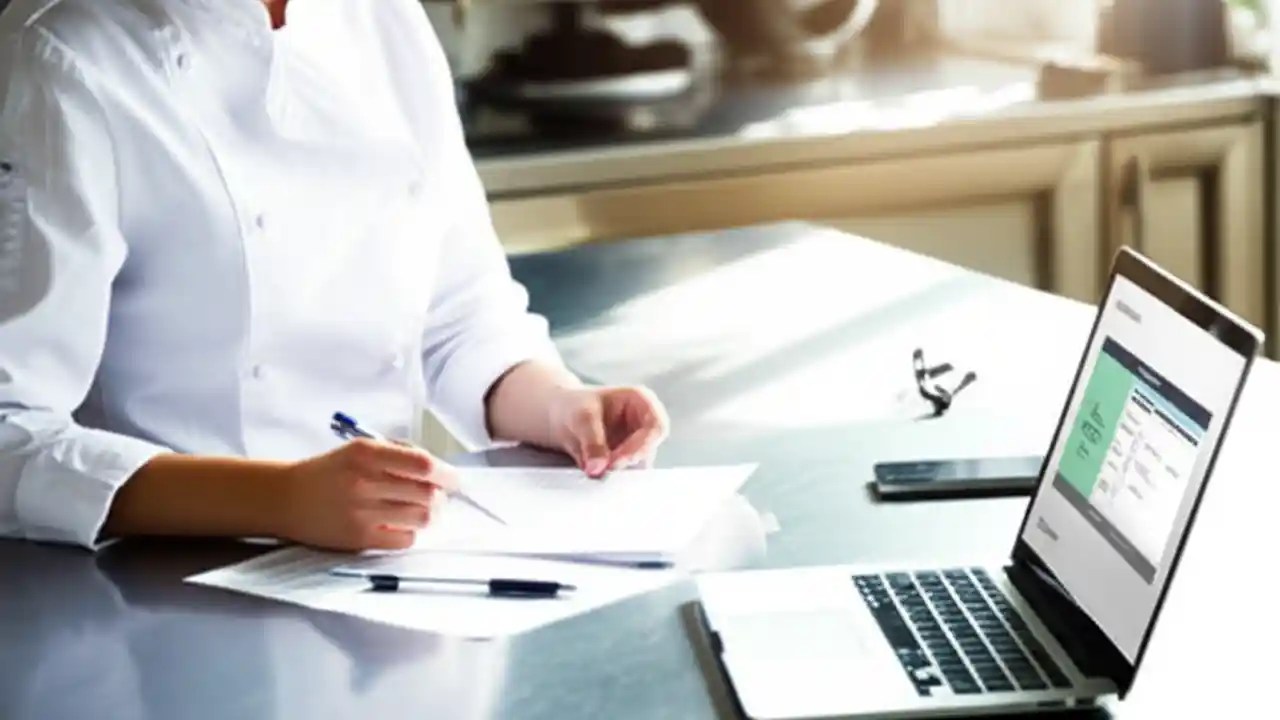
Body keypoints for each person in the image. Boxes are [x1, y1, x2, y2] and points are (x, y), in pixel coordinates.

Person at [0, 0, 669, 551]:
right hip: (153, 585)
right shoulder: (60, 55)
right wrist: (281, 499)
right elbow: (10, 431)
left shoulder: (386, 19)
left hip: (388, 576)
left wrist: (563, 408)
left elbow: (461, 317)